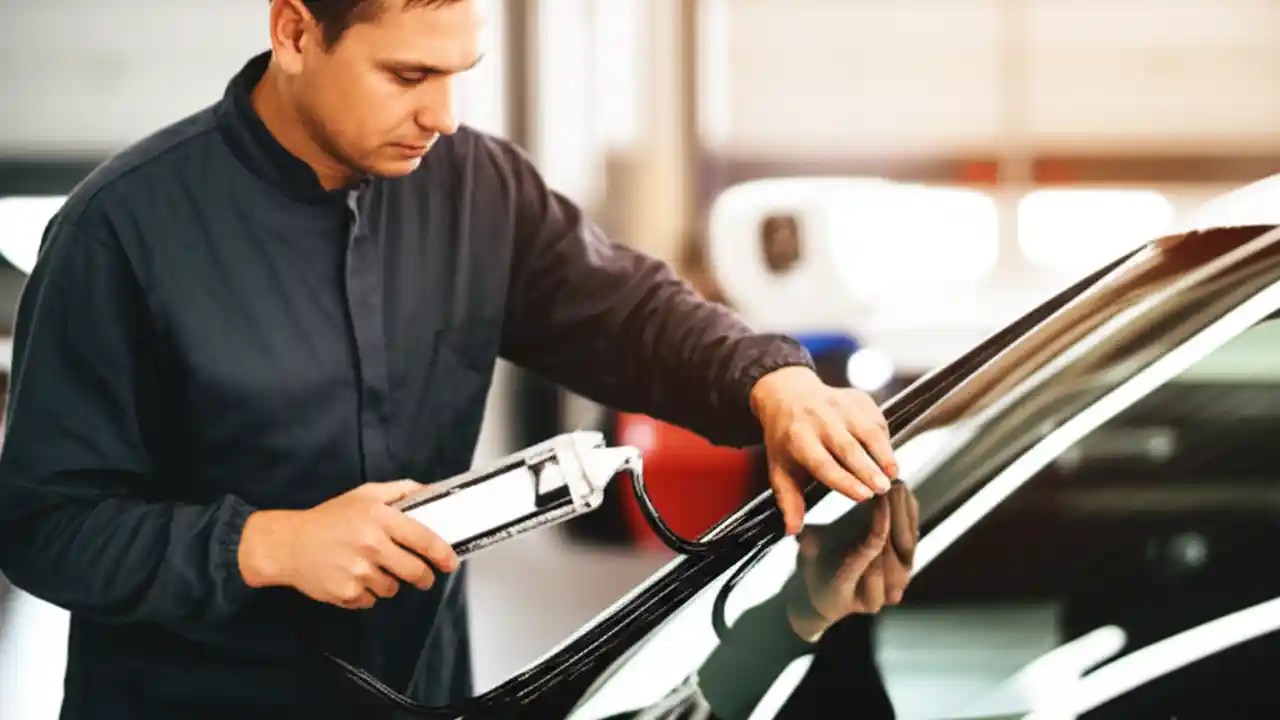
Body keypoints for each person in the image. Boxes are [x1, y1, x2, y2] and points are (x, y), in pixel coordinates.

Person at [0, 1, 900, 717]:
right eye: (407, 75)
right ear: (295, 31)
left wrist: (770, 378)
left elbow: (630, 315)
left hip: (431, 696)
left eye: (459, 73)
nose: (441, 114)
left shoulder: (479, 189)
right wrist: (267, 545)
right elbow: (44, 526)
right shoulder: (119, 232)